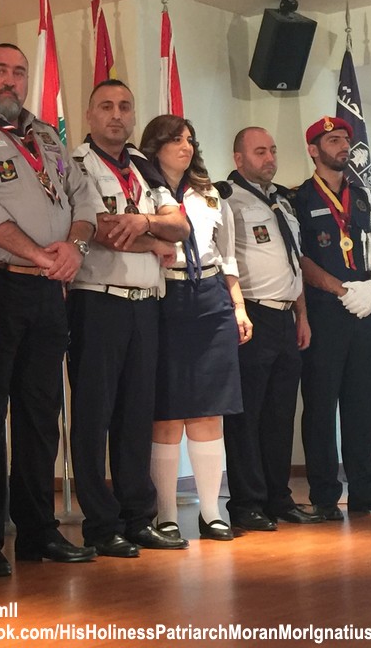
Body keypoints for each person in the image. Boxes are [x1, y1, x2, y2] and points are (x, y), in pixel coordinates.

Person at [0, 43, 100, 574]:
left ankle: (38, 530)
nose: (9, 81)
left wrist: (73, 249)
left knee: (40, 413)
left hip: (49, 292)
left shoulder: (47, 134)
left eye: (18, 73)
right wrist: (40, 255)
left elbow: (84, 200)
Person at [67, 81, 191, 557]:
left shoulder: (143, 165)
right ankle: (101, 523)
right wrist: (155, 240)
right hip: (98, 300)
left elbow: (179, 224)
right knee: (95, 416)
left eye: (125, 106)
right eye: (106, 106)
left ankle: (138, 517)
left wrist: (145, 224)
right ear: (90, 113)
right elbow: (98, 229)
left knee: (137, 415)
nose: (116, 115)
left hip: (146, 302)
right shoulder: (77, 165)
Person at [290, 116, 371, 519]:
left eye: (346, 138)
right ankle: (325, 496)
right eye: (333, 139)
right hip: (325, 314)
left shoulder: (363, 197)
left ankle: (365, 489)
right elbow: (299, 259)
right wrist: (340, 289)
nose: (344, 145)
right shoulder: (299, 199)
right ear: (313, 149)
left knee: (363, 402)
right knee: (322, 406)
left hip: (363, 312)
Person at [139, 115, 250, 543]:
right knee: (166, 412)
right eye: (175, 140)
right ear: (155, 146)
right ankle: (166, 515)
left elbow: (228, 257)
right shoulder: (144, 190)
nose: (185, 146)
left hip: (210, 296)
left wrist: (238, 307)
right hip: (165, 297)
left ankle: (210, 512)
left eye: (189, 139)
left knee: (209, 408)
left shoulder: (209, 194)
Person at [220, 127, 324, 531]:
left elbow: (293, 262)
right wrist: (237, 309)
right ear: (238, 159)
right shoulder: (227, 198)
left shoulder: (283, 199)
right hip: (253, 316)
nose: (269, 157)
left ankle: (279, 497)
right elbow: (225, 260)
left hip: (286, 316)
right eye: (259, 151)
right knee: (248, 415)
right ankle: (246, 502)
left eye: (273, 150)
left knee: (280, 414)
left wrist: (302, 314)